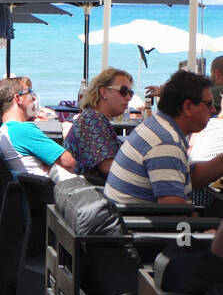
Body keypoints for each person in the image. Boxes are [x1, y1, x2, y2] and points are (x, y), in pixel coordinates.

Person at [106, 70, 223, 205]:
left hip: (126, 218)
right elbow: (172, 210)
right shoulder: (165, 142)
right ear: (188, 107)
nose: (214, 110)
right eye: (209, 104)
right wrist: (199, 221)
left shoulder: (157, 125)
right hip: (139, 223)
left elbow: (191, 177)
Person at [0, 77, 76, 179]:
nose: (34, 98)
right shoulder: (22, 130)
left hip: (31, 189)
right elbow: (71, 163)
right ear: (18, 99)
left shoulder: (3, 131)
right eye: (30, 92)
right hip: (50, 192)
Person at [64, 67, 134, 182]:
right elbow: (108, 166)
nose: (128, 97)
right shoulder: (93, 120)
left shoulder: (94, 118)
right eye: (123, 91)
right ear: (104, 92)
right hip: (94, 195)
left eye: (131, 93)